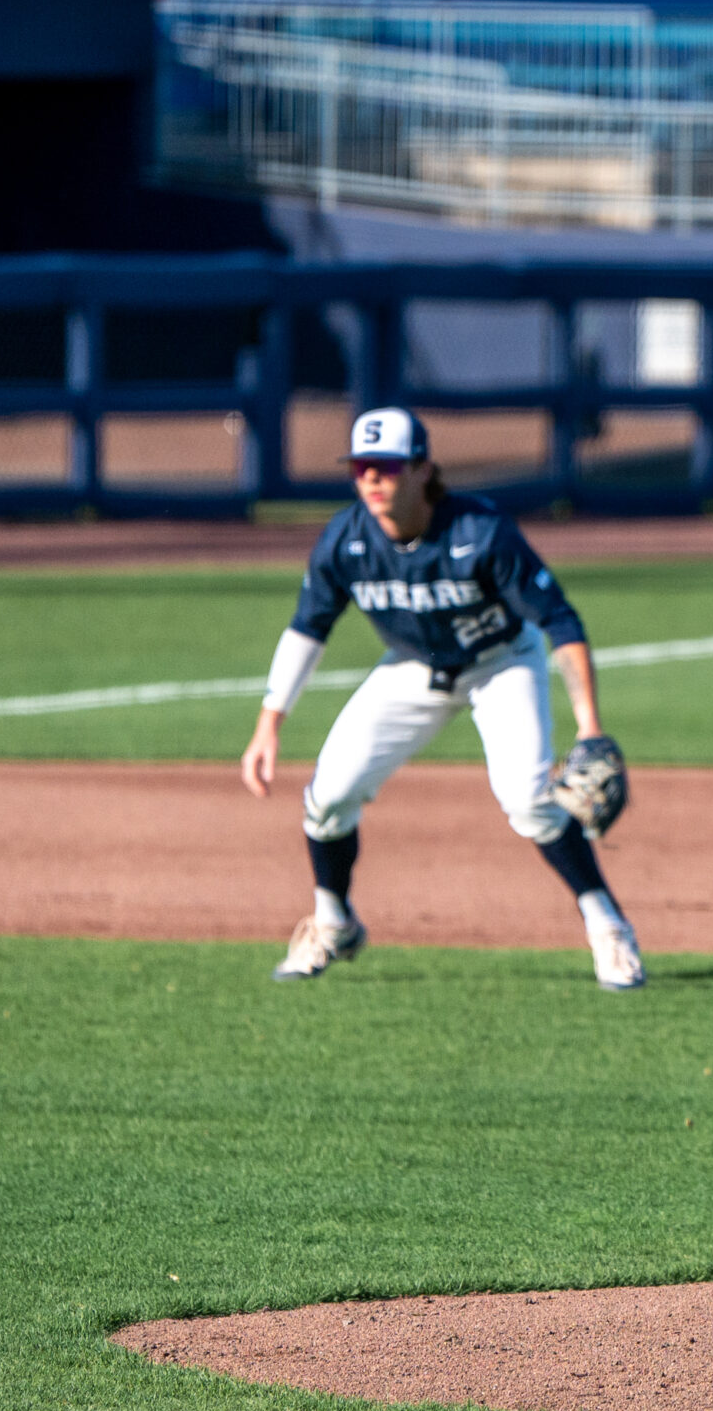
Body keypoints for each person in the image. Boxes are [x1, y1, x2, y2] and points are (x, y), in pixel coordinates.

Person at [239, 406, 644, 991]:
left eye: (388, 467)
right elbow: (308, 628)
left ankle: (608, 928)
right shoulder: (346, 541)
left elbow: (560, 619)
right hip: (412, 669)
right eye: (361, 468)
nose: (373, 480)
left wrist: (589, 727)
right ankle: (333, 922)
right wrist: (268, 723)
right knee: (327, 798)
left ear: (424, 469)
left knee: (528, 801)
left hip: (500, 661)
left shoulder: (479, 531)